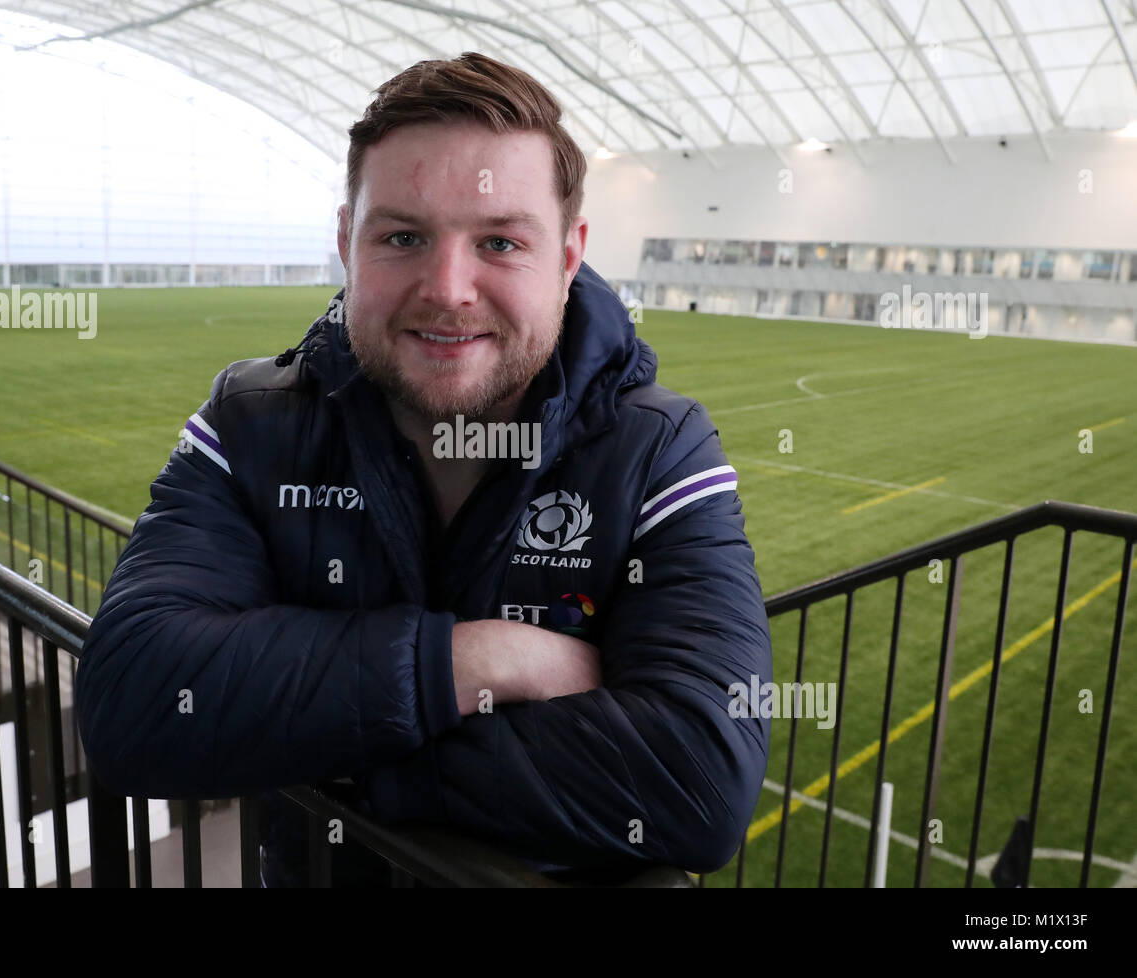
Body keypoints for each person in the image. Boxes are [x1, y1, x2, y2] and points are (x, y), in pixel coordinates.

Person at [74, 51, 772, 887]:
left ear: (569, 256)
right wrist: (471, 664)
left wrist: (325, 754)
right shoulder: (252, 424)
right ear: (346, 243)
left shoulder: (659, 451)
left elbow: (700, 782)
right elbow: (134, 704)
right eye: (403, 236)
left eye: (500, 241)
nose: (448, 289)